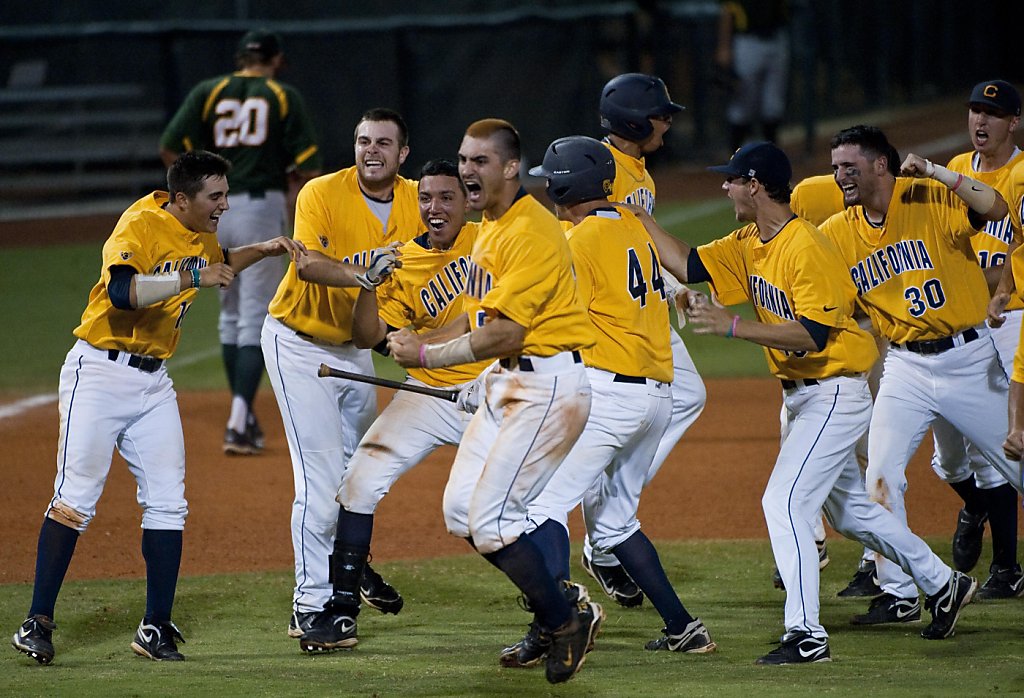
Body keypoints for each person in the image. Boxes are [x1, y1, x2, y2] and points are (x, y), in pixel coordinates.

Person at [638, 141, 977, 664]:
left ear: (755, 185)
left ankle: (806, 634)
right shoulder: (750, 240)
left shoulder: (806, 247)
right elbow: (688, 262)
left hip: (835, 393)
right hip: (806, 398)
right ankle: (942, 583)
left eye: (731, 179)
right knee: (851, 513)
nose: (724, 186)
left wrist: (731, 326)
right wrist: (636, 218)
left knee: (785, 502)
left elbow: (811, 335)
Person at [10, 150, 306, 665]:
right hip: (98, 374)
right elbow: (123, 292)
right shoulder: (140, 223)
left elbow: (216, 265)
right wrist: (195, 279)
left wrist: (261, 249)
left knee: (169, 502)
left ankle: (155, 626)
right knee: (75, 500)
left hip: (153, 385)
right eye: (215, 196)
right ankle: (36, 620)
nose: (224, 204)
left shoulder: (200, 232)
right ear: (182, 199)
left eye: (225, 195)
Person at [386, 118, 603, 685]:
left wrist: (428, 359)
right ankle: (557, 609)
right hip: (508, 385)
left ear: (511, 167)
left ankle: (563, 619)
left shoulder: (528, 231)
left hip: (547, 389)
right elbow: (477, 310)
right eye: (463, 159)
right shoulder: (493, 224)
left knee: (491, 521)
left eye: (480, 161)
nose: (466, 170)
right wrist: (425, 339)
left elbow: (504, 333)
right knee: (461, 512)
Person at [512, 135, 716, 660]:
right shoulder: (633, 224)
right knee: (616, 522)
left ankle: (557, 627)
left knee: (540, 508)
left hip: (610, 398)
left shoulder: (576, 245)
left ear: (560, 187)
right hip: (656, 398)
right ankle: (683, 628)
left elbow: (551, 326)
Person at [820, 124, 1020, 626]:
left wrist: (936, 171)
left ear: (880, 165)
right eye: (835, 166)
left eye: (850, 166)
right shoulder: (837, 233)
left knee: (1018, 466)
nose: (840, 175)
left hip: (968, 358)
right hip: (905, 366)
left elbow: (996, 208)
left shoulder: (928, 195)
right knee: (881, 477)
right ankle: (902, 591)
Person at [298, 158, 490, 652]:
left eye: (446, 197)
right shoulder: (402, 262)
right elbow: (368, 336)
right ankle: (342, 612)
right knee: (358, 482)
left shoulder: (494, 238)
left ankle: (555, 603)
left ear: (469, 199)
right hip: (427, 392)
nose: (434, 207)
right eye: (425, 198)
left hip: (495, 390)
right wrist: (366, 282)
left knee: (495, 509)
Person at [260, 108, 419, 648]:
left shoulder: (420, 200)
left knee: (359, 475)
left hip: (356, 353)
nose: (370, 150)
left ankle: (346, 565)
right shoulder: (321, 193)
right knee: (321, 479)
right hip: (298, 346)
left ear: (403, 153)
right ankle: (309, 605)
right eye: (361, 141)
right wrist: (365, 275)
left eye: (382, 143)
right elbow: (306, 264)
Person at [160, 28, 323, 455]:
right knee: (254, 315)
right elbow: (308, 165)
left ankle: (243, 417)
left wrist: (198, 195)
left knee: (229, 316)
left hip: (212, 210)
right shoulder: (281, 95)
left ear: (240, 58)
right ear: (275, 60)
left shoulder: (209, 91)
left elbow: (170, 146)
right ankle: (237, 422)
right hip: (259, 208)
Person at [580, 72, 708, 608]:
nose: (669, 121)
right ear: (635, 121)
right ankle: (605, 532)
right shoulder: (603, 171)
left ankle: (609, 522)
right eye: (661, 114)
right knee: (613, 416)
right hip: (614, 316)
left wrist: (674, 285)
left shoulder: (638, 174)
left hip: (647, 302)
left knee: (689, 396)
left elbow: (640, 244)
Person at [929, 80, 1023, 599]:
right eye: (974, 111)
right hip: (957, 324)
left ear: (1014, 122)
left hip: (1011, 320)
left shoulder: (1023, 175)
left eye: (993, 113)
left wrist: (1003, 288)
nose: (980, 121)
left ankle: (1008, 568)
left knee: (1003, 447)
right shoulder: (955, 171)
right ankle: (977, 507)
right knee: (948, 456)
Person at [714, 0, 790, 152]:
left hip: (777, 38)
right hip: (747, 41)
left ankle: (771, 154)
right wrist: (724, 46)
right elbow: (727, 11)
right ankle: (734, 155)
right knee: (743, 103)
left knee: (773, 105)